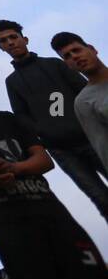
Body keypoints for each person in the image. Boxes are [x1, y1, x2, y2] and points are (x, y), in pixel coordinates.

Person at [0, 57, 106, 279]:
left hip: (48, 207)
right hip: (5, 217)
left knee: (87, 271)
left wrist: (15, 167)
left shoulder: (9, 119)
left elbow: (44, 161)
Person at [0, 20, 108, 222]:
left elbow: (84, 91)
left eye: (13, 37)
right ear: (0, 47)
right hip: (62, 150)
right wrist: (44, 133)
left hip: (91, 137)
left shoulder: (55, 64)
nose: (10, 42)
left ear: (24, 39)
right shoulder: (12, 82)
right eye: (4, 40)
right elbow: (21, 116)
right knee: (100, 198)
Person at [55, 32, 108, 174]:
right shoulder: (83, 102)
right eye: (67, 56)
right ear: (67, 65)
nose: (74, 56)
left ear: (92, 49)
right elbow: (102, 145)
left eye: (76, 50)